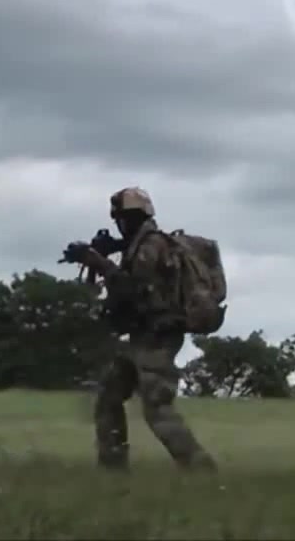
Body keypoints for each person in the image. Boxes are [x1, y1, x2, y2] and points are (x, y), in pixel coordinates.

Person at [76, 187, 217, 472]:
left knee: (157, 407)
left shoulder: (151, 246)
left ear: (129, 218)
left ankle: (201, 469)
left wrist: (99, 263)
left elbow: (133, 288)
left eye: (121, 218)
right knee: (109, 397)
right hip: (142, 335)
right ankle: (112, 470)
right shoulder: (141, 245)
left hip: (157, 335)